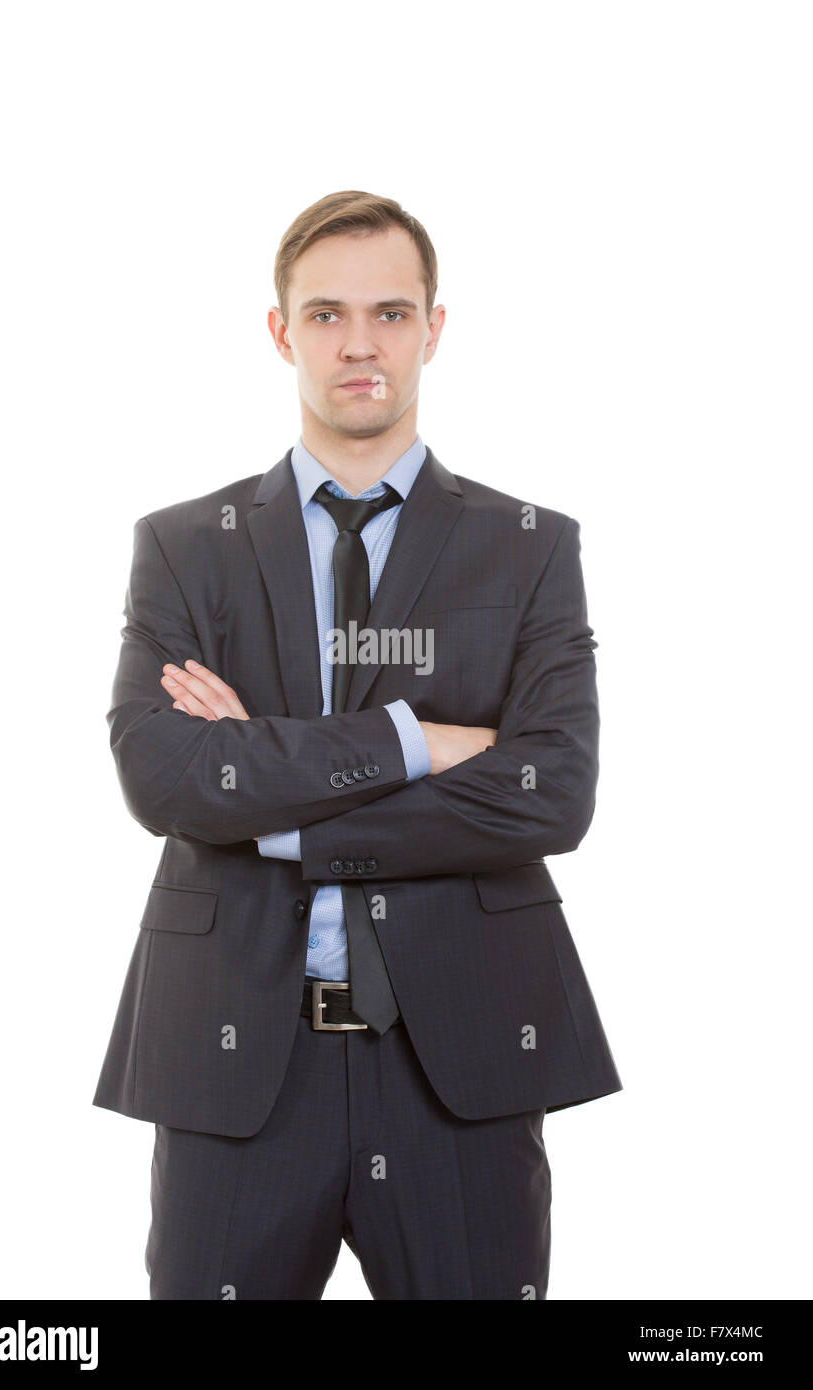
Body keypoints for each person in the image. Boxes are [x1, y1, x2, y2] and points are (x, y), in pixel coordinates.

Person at [93, 189, 622, 1300]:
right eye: (326, 314)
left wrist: (268, 797)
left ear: (433, 329)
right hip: (236, 1056)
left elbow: (549, 795)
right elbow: (164, 777)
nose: (360, 343)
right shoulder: (187, 548)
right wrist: (412, 738)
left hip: (457, 1065)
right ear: (282, 332)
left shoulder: (525, 550)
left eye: (389, 312)